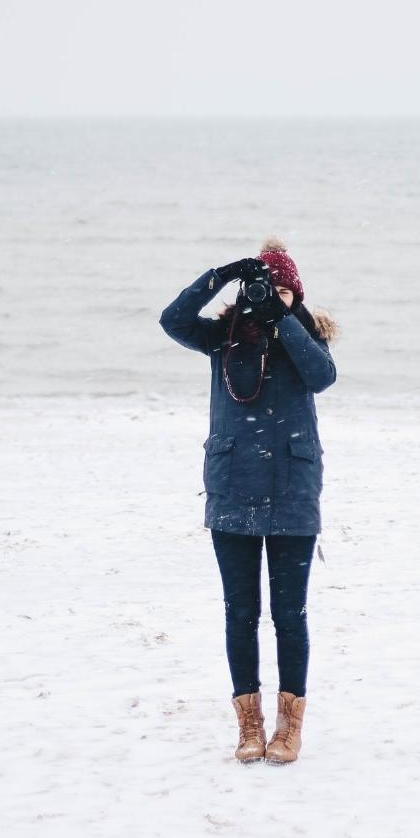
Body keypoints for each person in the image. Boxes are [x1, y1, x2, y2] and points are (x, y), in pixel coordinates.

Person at [158, 236, 338, 765]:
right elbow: (172, 320)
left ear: (296, 293)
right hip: (233, 486)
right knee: (240, 612)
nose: (272, 294)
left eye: (284, 288)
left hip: (293, 492)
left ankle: (289, 728)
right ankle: (250, 725)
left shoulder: (304, 336)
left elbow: (323, 378)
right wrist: (220, 274)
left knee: (289, 613)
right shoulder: (223, 339)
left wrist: (281, 318)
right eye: (265, 285)